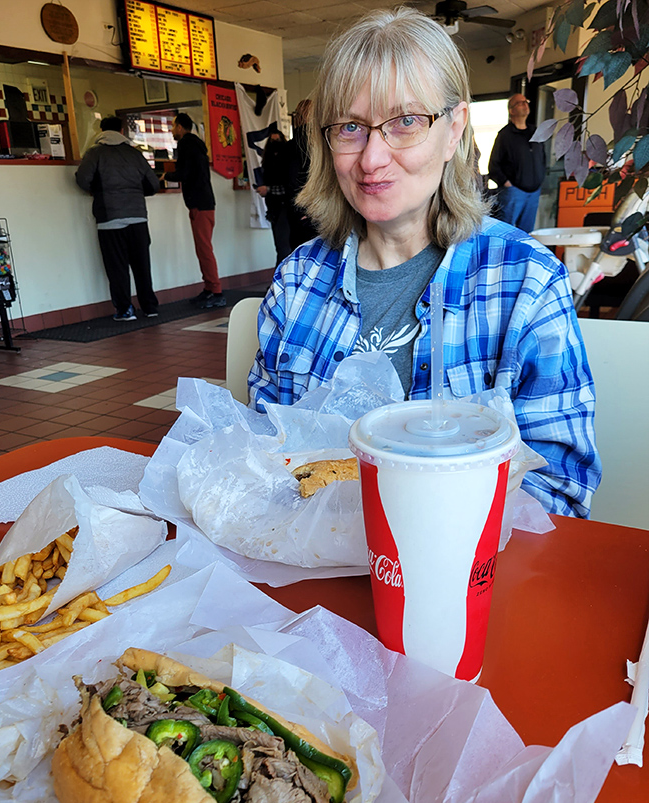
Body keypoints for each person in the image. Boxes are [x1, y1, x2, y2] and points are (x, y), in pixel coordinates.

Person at [248, 7, 601, 519]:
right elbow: (259, 459)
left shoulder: (524, 281)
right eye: (350, 127)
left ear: (454, 129)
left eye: (406, 122)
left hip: (466, 585)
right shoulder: (298, 281)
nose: (371, 159)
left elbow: (561, 490)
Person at [75, 115, 160, 322]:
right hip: (138, 218)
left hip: (109, 219)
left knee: (117, 268)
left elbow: (82, 180)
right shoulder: (134, 154)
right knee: (142, 266)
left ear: (101, 131)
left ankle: (125, 310)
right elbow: (153, 184)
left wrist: (98, 189)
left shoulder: (95, 153)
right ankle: (150, 307)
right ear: (122, 131)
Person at [170, 112, 225, 309]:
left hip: (199, 204)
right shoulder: (198, 146)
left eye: (173, 126)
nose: (171, 130)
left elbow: (184, 172)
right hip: (205, 203)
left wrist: (166, 175)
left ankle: (216, 290)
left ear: (180, 127)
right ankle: (210, 288)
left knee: (204, 249)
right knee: (203, 249)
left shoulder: (186, 145)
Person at [488, 94, 546, 233]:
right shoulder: (505, 135)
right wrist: (507, 184)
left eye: (526, 101)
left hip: (534, 193)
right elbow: (494, 165)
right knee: (505, 232)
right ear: (511, 110)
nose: (525, 104)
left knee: (527, 235)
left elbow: (543, 158)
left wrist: (540, 179)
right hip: (514, 192)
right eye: (519, 103)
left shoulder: (536, 132)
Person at [284, 100, 318, 250]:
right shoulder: (319, 145)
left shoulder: (290, 147)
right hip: (315, 211)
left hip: (299, 211)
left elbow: (290, 181)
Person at [255, 129, 292, 265]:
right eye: (272, 141)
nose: (275, 144)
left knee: (283, 246)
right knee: (280, 245)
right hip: (274, 207)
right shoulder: (269, 161)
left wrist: (268, 189)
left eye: (277, 140)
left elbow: (289, 187)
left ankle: (280, 281)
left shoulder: (287, 160)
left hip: (285, 206)